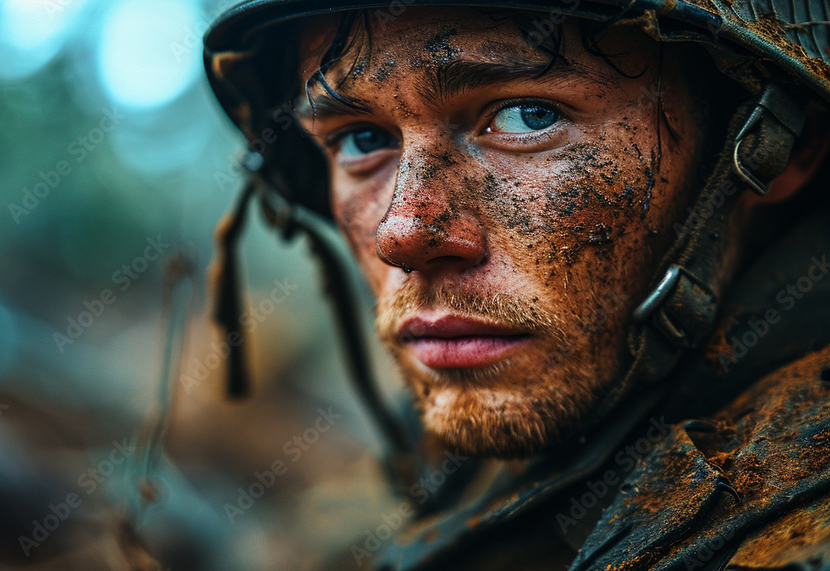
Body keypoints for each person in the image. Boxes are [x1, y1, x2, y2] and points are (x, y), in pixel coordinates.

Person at [202, 0, 830, 567]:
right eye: (362, 139)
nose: (403, 233)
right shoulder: (441, 470)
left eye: (529, 117)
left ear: (780, 146)